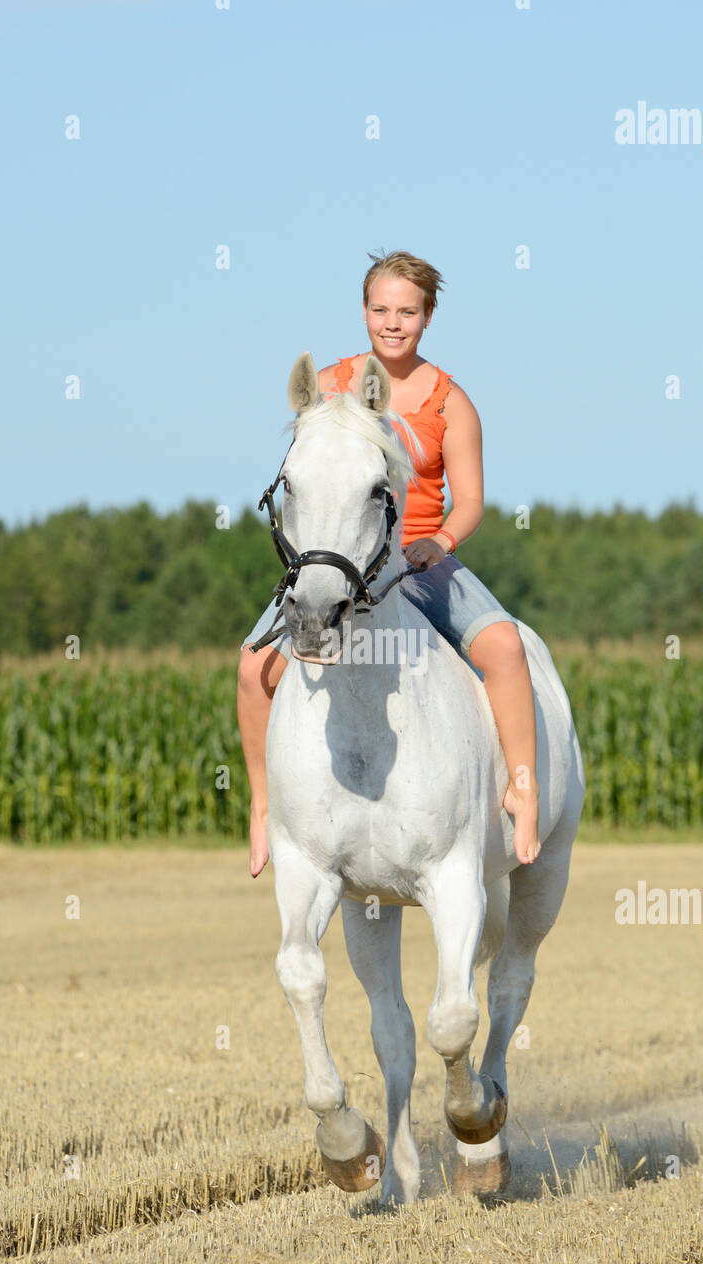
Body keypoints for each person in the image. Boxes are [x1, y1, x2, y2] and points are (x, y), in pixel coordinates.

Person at [237, 250, 540, 877]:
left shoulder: (451, 403)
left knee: (507, 647)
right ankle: (265, 805)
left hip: (419, 556)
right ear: (365, 312)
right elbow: (309, 475)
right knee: (252, 666)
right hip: (338, 562)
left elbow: (472, 499)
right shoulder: (329, 384)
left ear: (428, 317)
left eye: (407, 311)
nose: (392, 322)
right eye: (381, 309)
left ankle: (522, 790)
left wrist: (443, 543)